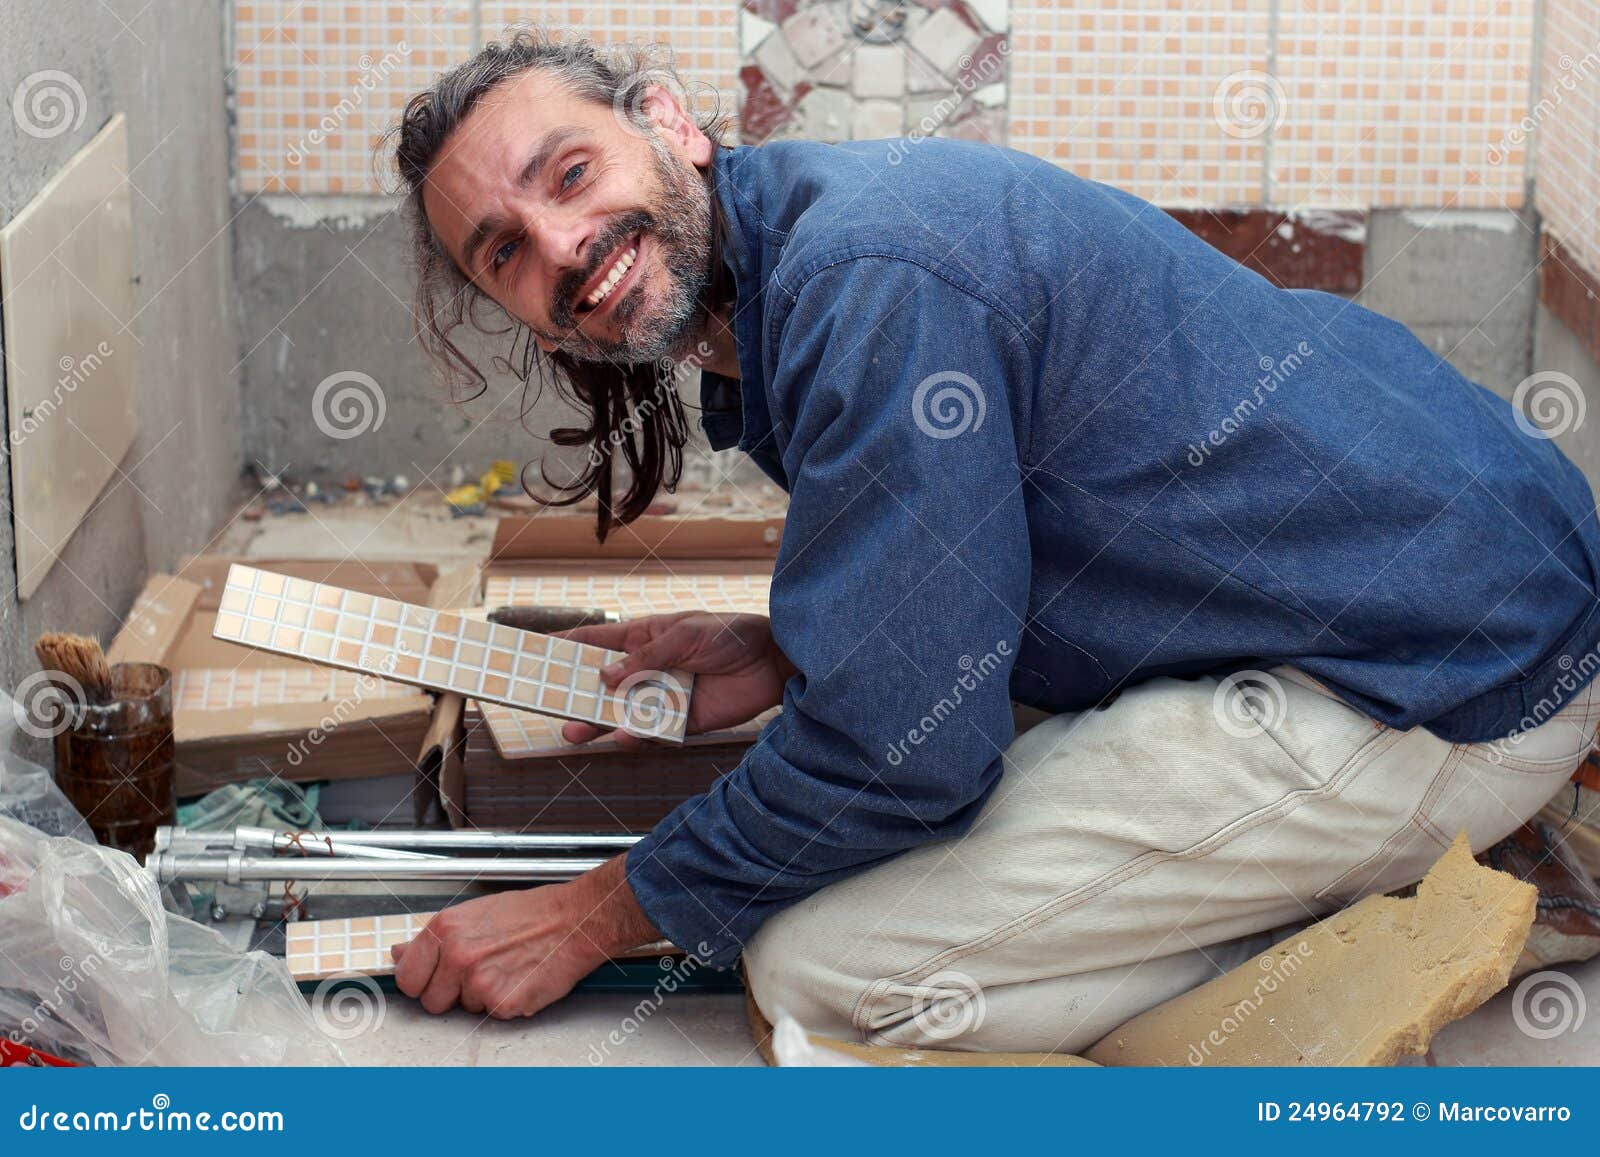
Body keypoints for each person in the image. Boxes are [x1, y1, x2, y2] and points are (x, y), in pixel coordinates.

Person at [383, 29, 1600, 1053]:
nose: (562, 246)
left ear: (670, 123)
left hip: (1444, 681)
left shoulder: (864, 282)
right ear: (525, 323)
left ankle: (1409, 883)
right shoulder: (802, 251)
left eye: (570, 172)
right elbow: (979, 558)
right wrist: (798, 646)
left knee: (818, 964)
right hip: (1428, 590)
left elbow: (906, 758)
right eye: (505, 250)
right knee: (835, 821)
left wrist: (598, 912)